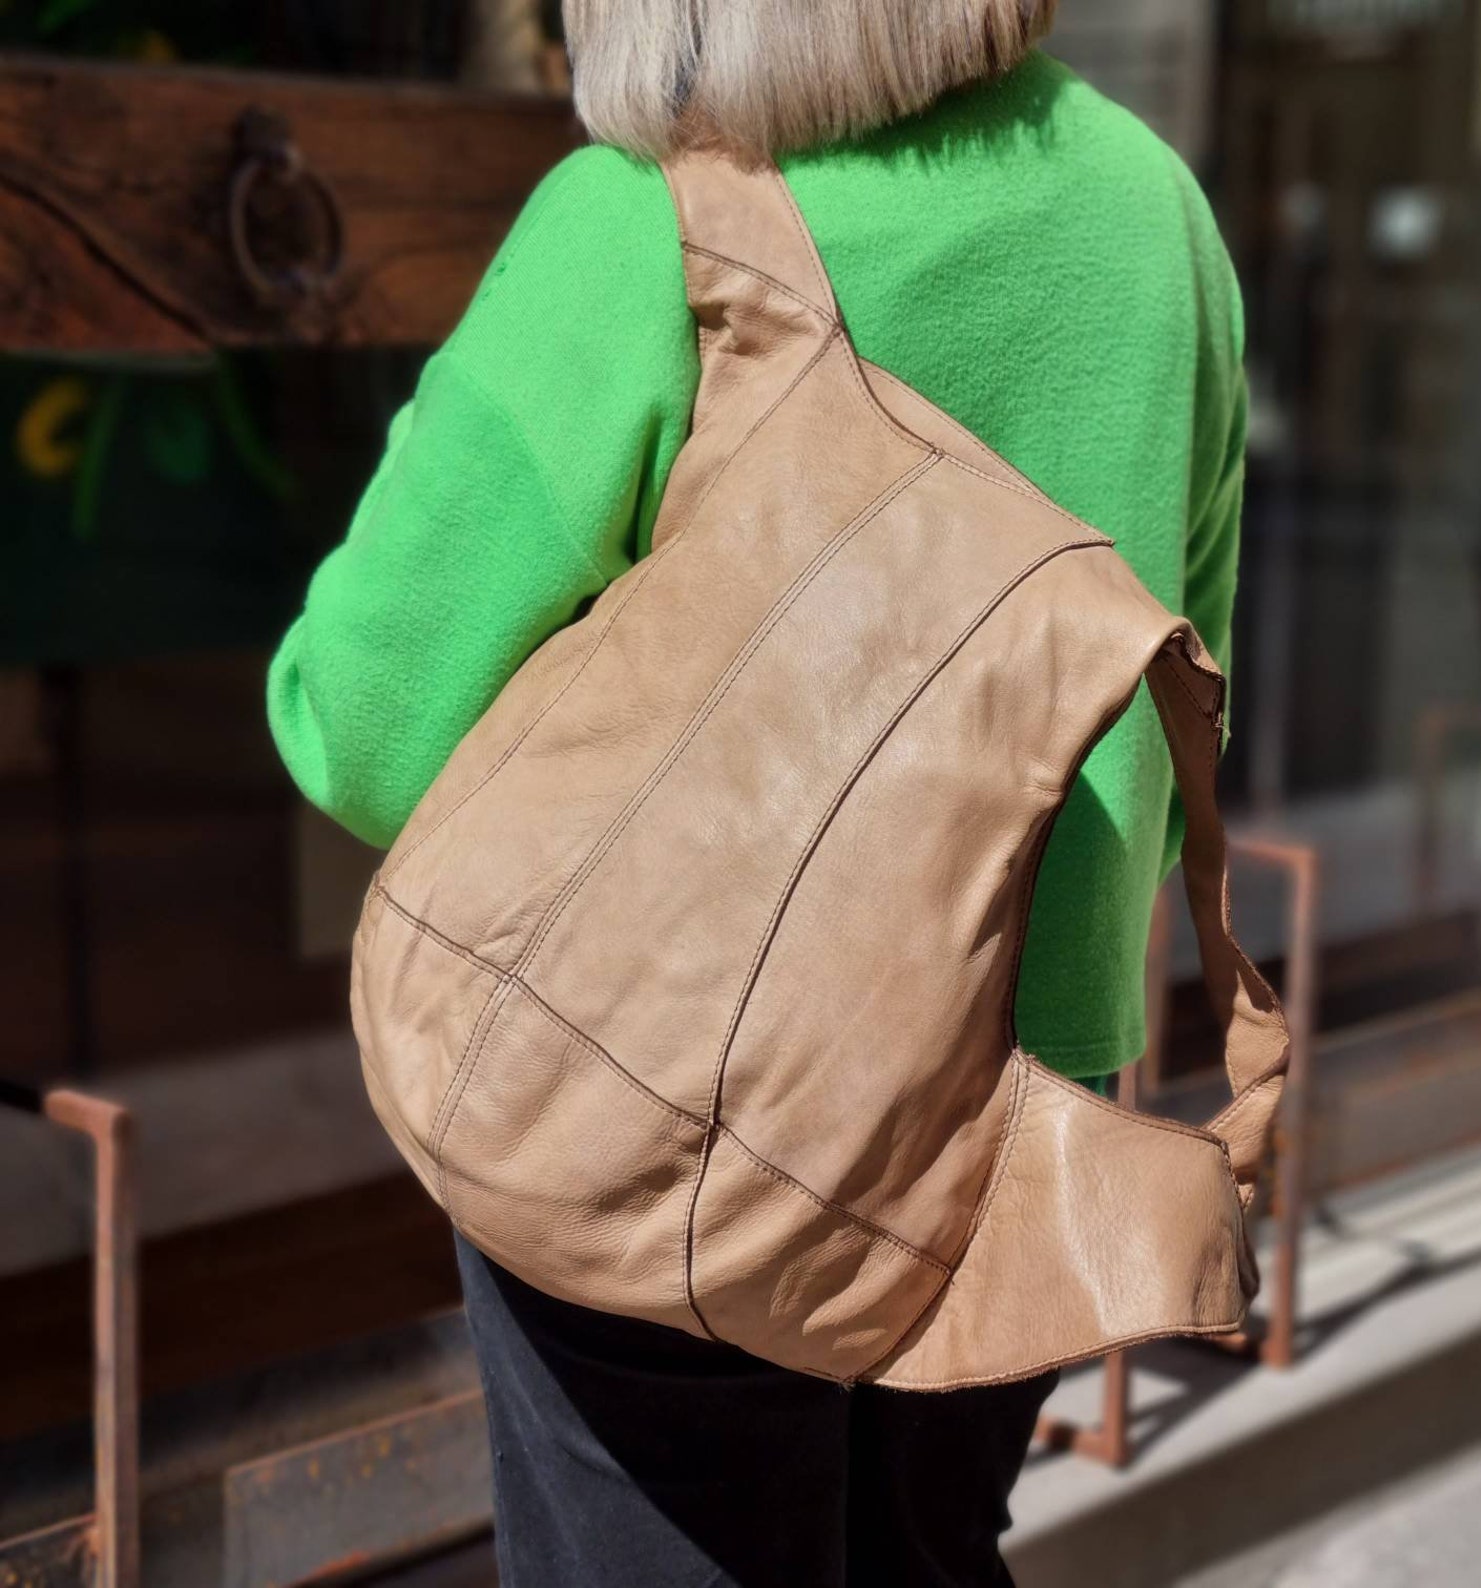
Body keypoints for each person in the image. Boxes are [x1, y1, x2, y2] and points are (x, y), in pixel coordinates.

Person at [267, 2, 1247, 1582]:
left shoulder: (641, 216)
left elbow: (362, 727)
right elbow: (1190, 647)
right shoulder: (1150, 204)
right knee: (928, 1555)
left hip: (672, 1106)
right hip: (1020, 1115)